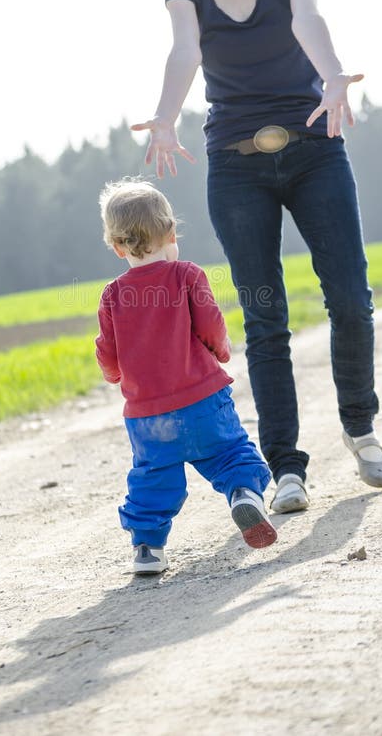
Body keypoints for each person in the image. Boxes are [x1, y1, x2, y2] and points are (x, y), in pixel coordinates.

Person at [131, 0, 382, 513]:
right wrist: (165, 115)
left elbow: (308, 16)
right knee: (265, 316)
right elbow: (184, 48)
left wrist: (332, 72)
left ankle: (360, 426)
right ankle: (287, 468)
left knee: (350, 298)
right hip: (235, 163)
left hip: (314, 146)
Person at [95, 178, 277, 574]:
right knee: (229, 452)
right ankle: (244, 493)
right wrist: (221, 351)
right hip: (202, 400)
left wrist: (114, 375)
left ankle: (147, 548)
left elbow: (108, 352)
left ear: (117, 246)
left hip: (148, 415)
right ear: (171, 233)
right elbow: (211, 325)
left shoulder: (112, 295)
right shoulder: (186, 274)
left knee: (153, 477)